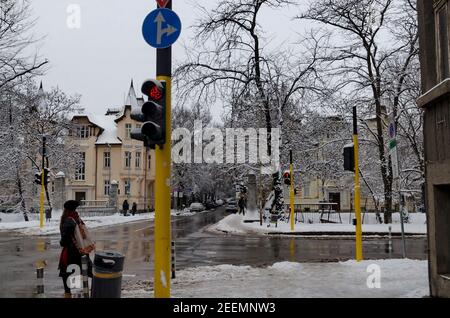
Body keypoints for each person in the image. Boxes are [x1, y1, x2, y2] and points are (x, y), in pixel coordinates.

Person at [58, 200, 93, 298]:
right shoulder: (77, 218)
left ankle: (67, 294)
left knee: (65, 272)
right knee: (88, 270)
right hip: (81, 249)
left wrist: (61, 243)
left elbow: (64, 240)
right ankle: (95, 290)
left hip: (71, 252)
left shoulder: (68, 220)